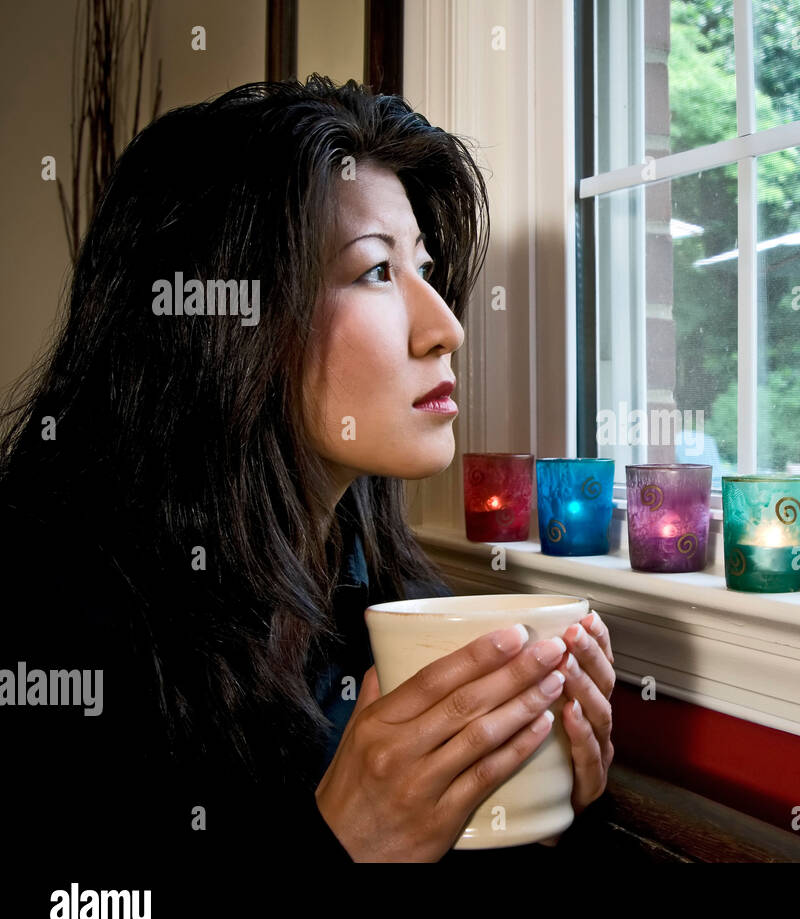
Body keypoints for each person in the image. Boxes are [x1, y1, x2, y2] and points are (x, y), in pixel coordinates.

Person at [0, 76, 615, 863]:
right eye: (374, 272)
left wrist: (557, 802)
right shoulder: (50, 614)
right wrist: (337, 846)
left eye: (422, 268)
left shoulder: (399, 608)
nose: (446, 328)